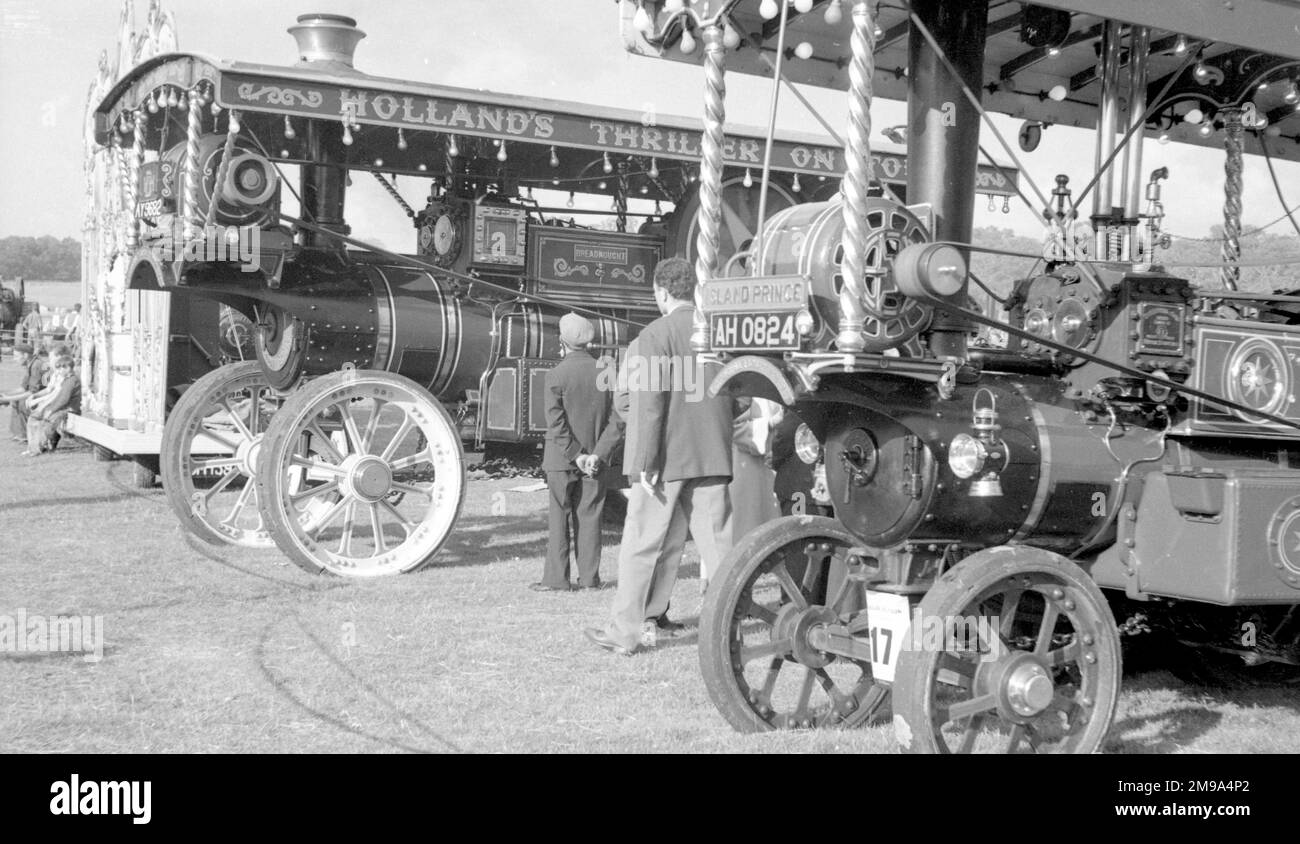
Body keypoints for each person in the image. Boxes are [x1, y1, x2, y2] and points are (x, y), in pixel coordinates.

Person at [584, 257, 735, 655]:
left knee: (641, 545)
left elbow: (649, 403)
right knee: (719, 550)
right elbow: (738, 395)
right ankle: (727, 632)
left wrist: (647, 460)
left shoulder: (655, 335)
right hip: (714, 455)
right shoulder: (719, 333)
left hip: (667, 459)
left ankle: (624, 633)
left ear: (662, 292)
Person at [536, 313, 623, 592]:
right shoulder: (606, 372)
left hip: (561, 459)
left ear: (562, 341)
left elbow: (556, 424)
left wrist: (576, 455)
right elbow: (618, 419)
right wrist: (596, 454)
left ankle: (557, 579)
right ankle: (589, 579)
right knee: (589, 517)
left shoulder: (555, 375)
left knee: (559, 517)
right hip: (596, 460)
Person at [729, 397, 784, 546]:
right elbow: (726, 425)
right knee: (742, 530)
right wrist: (769, 425)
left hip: (775, 462)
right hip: (742, 465)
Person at [22, 353, 79, 455]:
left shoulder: (71, 380)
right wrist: (45, 406)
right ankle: (33, 448)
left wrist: (50, 410)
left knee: (45, 422)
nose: (60, 370)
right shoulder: (66, 379)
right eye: (59, 368)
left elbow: (63, 400)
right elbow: (55, 395)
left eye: (63, 367)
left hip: (68, 410)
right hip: (62, 408)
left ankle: (39, 448)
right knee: (34, 418)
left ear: (70, 367)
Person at [0, 343, 48, 442]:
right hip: (38, 395)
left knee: (22, 402)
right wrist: (4, 393)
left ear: (25, 355)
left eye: (16, 356)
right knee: (17, 401)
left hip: (45, 397)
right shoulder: (31, 364)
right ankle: (20, 434)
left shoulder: (36, 365)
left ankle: (26, 435)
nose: (14, 359)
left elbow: (32, 392)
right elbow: (22, 388)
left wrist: (6, 399)